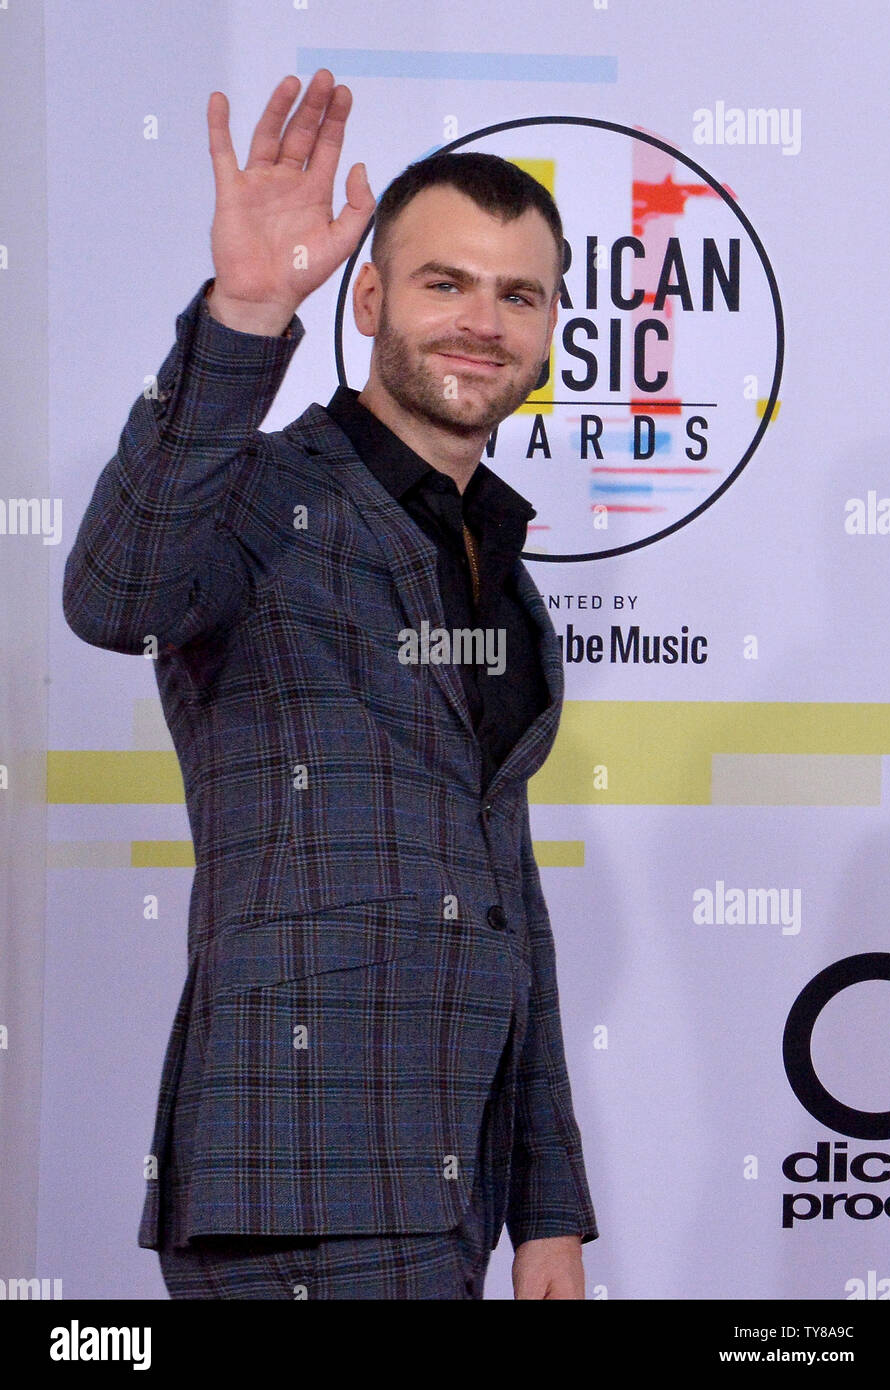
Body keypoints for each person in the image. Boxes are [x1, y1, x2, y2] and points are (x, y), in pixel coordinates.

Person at [62, 69, 598, 1300]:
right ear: (367, 296)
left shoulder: (499, 568)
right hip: (295, 1178)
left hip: (454, 1189)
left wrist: (548, 1208)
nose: (482, 320)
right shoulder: (254, 495)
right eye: (444, 282)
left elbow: (505, 895)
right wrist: (246, 314)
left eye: (518, 295)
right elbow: (111, 596)